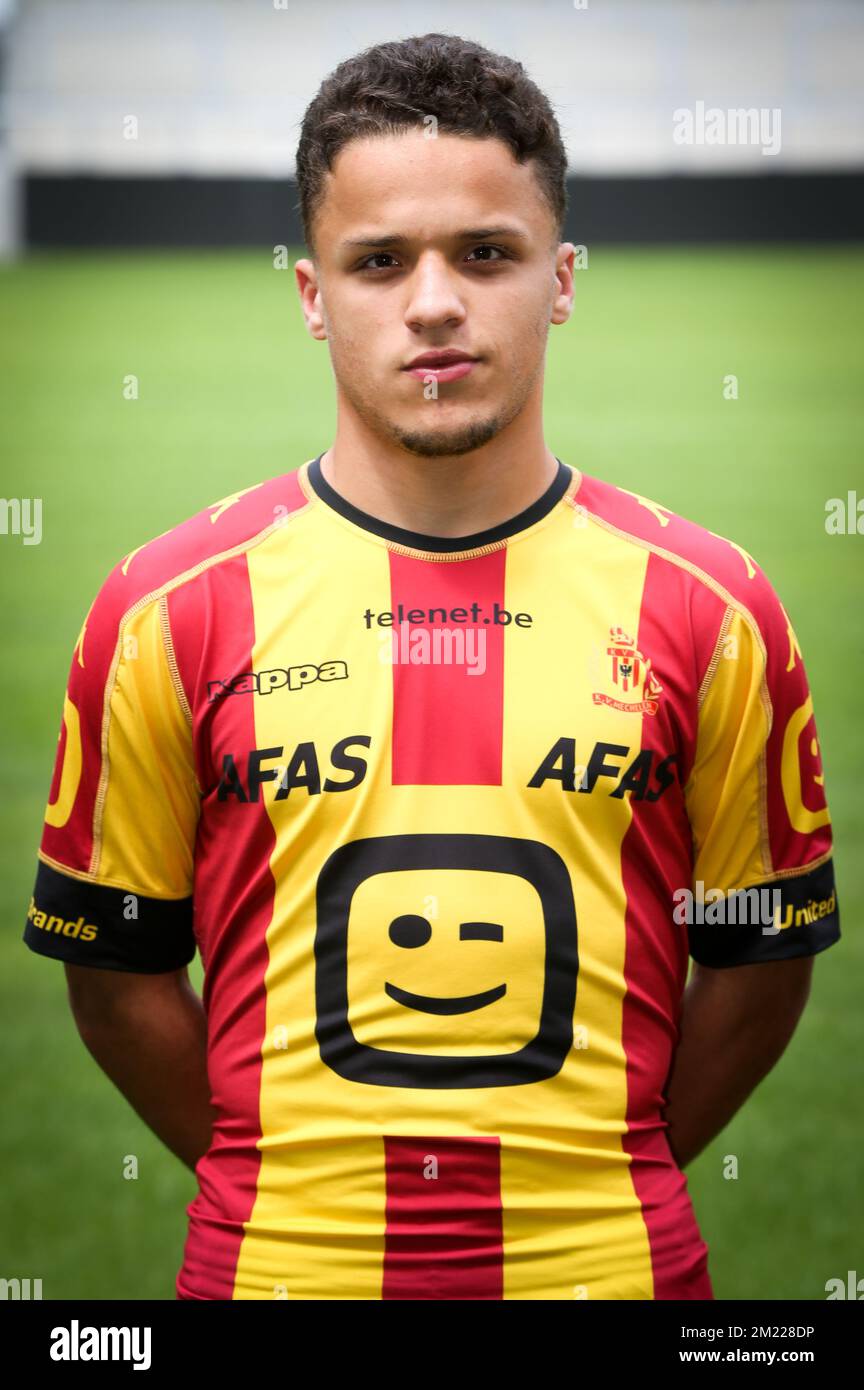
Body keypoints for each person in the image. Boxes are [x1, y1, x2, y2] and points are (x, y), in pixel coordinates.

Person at [23, 32, 839, 1301]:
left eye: (487, 253)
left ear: (562, 278)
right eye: (380, 261)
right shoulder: (162, 611)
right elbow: (116, 973)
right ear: (310, 294)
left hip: (615, 1276)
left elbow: (763, 957)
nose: (435, 301)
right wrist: (279, 1185)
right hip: (272, 1275)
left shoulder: (715, 610)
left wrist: (608, 1175)